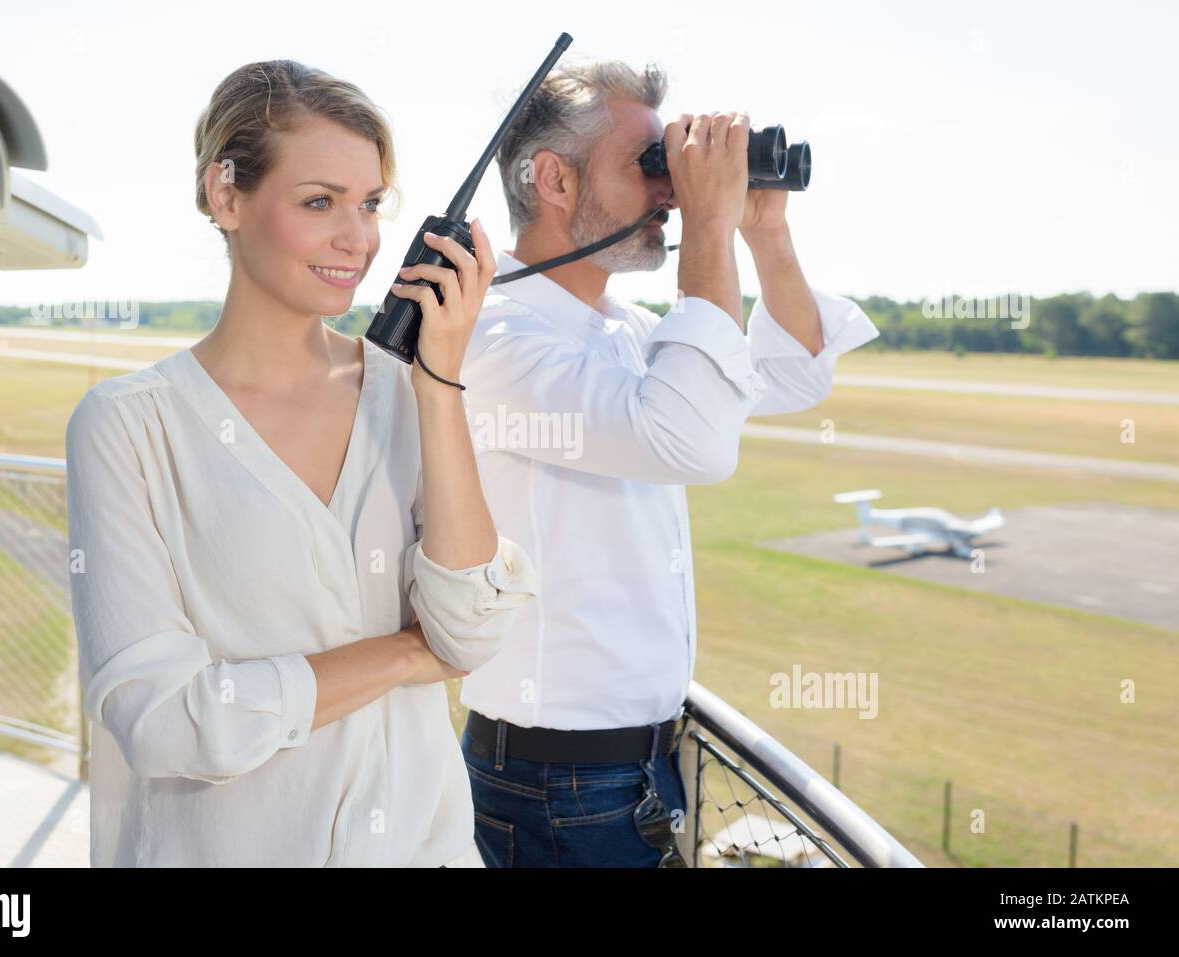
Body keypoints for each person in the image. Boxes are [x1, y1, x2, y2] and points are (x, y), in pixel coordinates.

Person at [65, 59, 538, 867]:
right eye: (319, 202)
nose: (356, 239)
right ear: (226, 196)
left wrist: (438, 384)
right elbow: (160, 720)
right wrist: (399, 653)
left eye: (370, 205)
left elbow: (469, 628)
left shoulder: (410, 394)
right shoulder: (128, 425)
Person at [457, 58, 879, 867]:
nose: (673, 189)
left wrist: (762, 229)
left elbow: (791, 374)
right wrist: (711, 233)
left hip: (631, 763)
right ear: (551, 179)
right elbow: (688, 438)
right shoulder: (496, 337)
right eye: (651, 165)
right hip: (559, 777)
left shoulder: (624, 326)